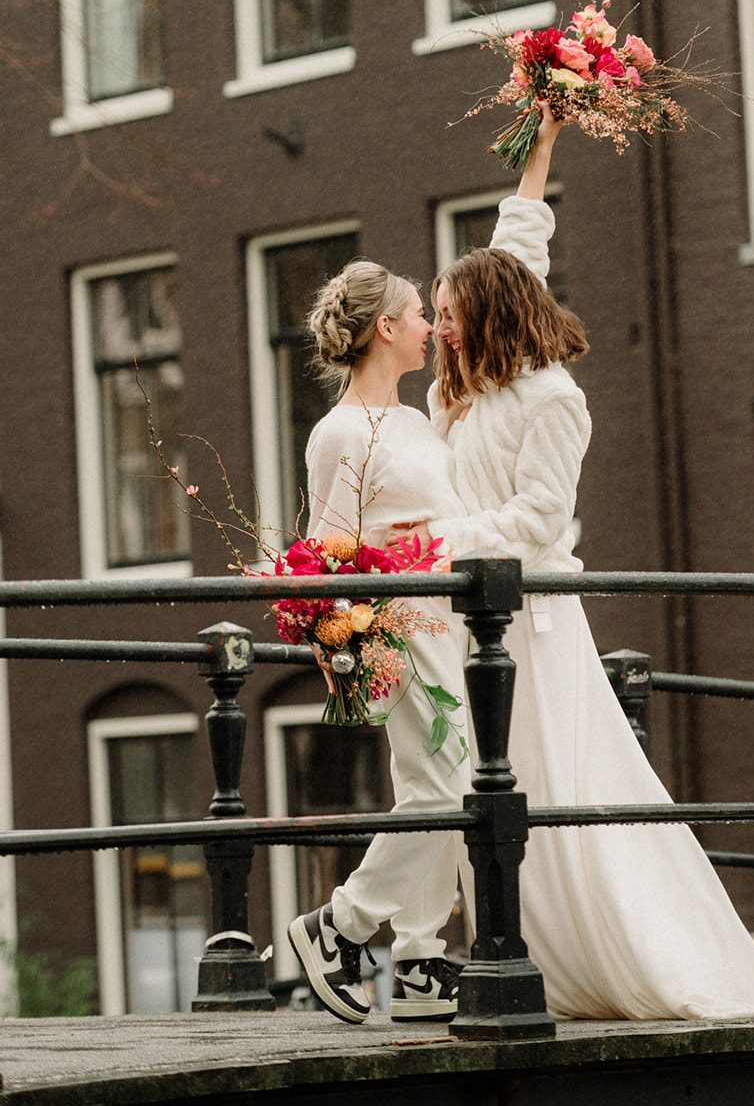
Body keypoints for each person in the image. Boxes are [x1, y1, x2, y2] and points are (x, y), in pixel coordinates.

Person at [403, 114, 754, 1023]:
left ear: (483, 316)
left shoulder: (552, 399)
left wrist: (430, 546)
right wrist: (543, 146)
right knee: (484, 779)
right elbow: (514, 245)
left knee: (555, 786)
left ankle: (617, 955)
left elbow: (538, 519)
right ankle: (517, 949)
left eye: (448, 315)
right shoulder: (466, 387)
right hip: (470, 618)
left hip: (533, 622)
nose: (437, 330)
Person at [285, 261, 471, 1024]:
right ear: (385, 329)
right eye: (419, 313)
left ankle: (423, 958)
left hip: (447, 618)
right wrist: (338, 645)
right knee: (449, 785)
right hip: (397, 621)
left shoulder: (417, 421)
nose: (432, 326)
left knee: (437, 779)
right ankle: (341, 925)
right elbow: (324, 550)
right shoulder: (339, 433)